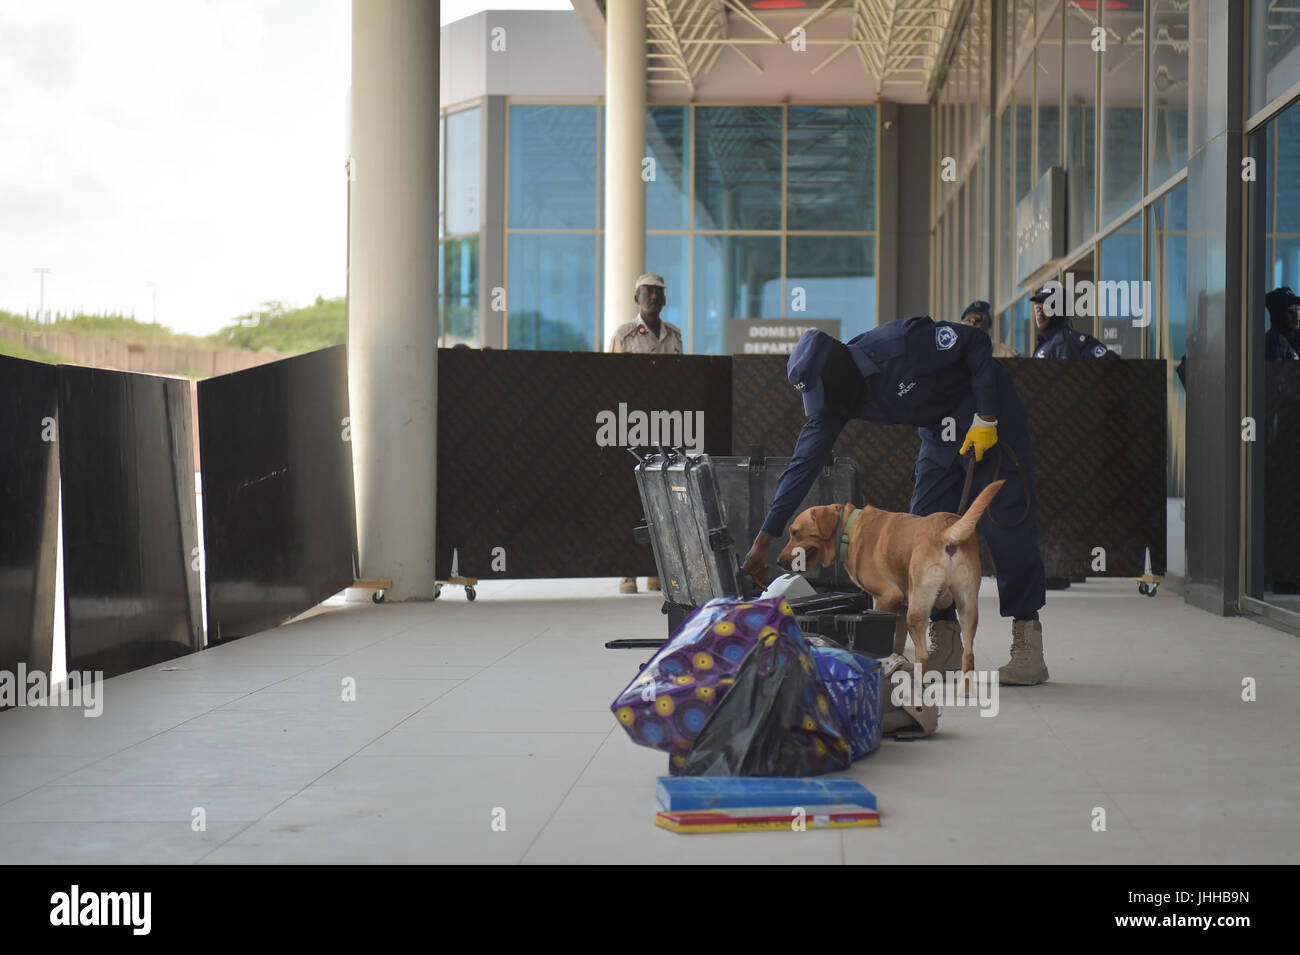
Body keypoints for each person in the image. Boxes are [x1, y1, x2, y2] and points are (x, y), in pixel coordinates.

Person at [740, 319, 1050, 686]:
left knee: (1005, 527)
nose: (827, 406)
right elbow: (802, 465)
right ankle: (946, 643)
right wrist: (763, 541)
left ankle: (1027, 640)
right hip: (940, 433)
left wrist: (985, 415)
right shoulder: (836, 397)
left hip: (991, 417)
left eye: (826, 394)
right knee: (923, 537)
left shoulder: (902, 343)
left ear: (839, 373)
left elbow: (976, 342)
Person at [610, 272, 683, 594]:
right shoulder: (624, 335)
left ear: (665, 298)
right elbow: (609, 382)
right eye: (647, 292)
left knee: (664, 496)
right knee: (627, 496)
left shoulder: (675, 335)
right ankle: (628, 571)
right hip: (631, 424)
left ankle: (657, 569)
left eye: (658, 292)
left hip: (666, 424)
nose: (653, 297)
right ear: (636, 297)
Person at [1029, 283, 1119, 358]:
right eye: (1037, 308)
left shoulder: (1071, 341)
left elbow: (1113, 364)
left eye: (1046, 308)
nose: (1039, 313)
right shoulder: (1043, 345)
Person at [1264, 286, 1300, 360]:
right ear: (1278, 315)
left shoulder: (1293, 338)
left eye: (1299, 309)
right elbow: (1275, 371)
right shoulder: (1276, 340)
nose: (1297, 316)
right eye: (1291, 311)